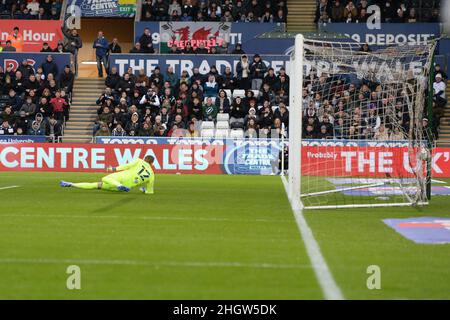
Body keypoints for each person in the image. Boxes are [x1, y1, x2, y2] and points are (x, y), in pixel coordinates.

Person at [60, 156, 156, 194]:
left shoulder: (139, 161)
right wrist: (145, 190)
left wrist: (113, 169)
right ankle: (71, 184)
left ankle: (119, 185)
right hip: (128, 185)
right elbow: (150, 192)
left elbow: (126, 165)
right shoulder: (152, 175)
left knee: (105, 178)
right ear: (152, 163)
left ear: (145, 159)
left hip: (122, 177)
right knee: (96, 185)